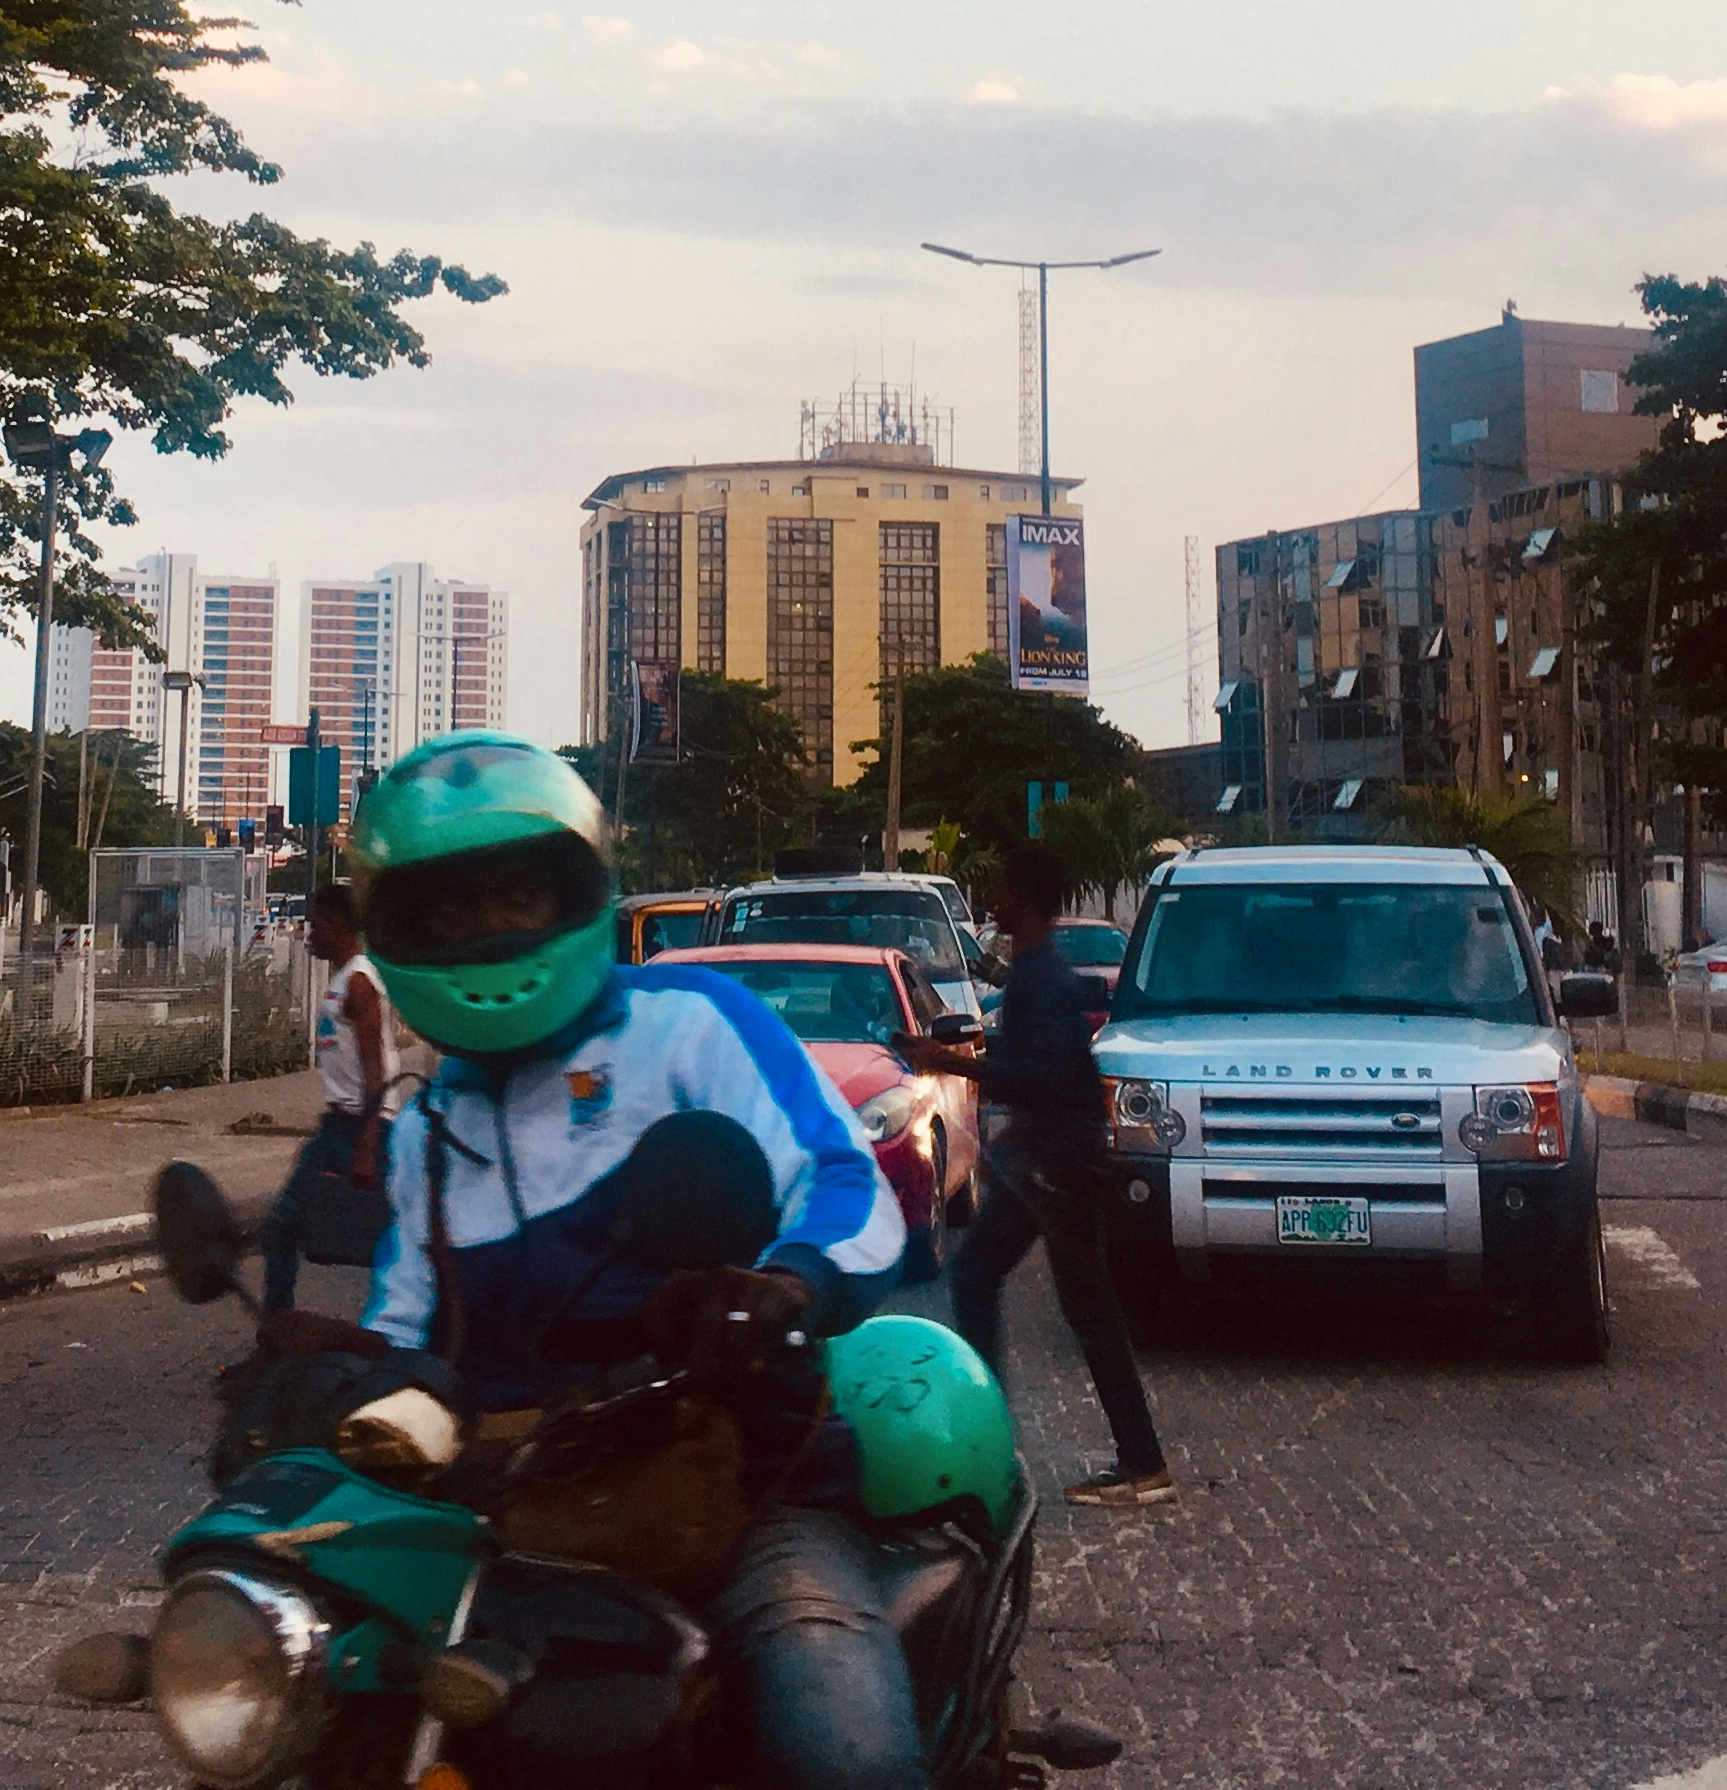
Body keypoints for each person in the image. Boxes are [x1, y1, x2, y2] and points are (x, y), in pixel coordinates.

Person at [346, 733, 924, 1790]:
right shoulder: (432, 1127)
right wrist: (331, 1385)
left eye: (512, 898)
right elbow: (401, 1329)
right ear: (400, 932)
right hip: (516, 1519)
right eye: (447, 911)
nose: (483, 930)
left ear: (571, 894)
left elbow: (850, 1192)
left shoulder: (692, 1028)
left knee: (848, 1748)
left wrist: (781, 1287)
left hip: (744, 1488)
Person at [913, 845, 1171, 1508]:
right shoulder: (1036, 973)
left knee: (1030, 1293)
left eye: (999, 892)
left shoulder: (1038, 978)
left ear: (1023, 901)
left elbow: (1042, 1076)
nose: (991, 904)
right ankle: (1136, 1462)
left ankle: (993, 1449)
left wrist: (951, 1061)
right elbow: (1042, 1069)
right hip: (1052, 1164)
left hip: (1056, 1170)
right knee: (1061, 1303)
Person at [260, 886, 391, 1313]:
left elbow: (377, 1071)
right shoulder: (342, 978)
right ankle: (278, 1333)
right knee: (283, 1228)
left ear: (336, 925)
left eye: (315, 926)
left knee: (388, 1238)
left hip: (363, 1127)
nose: (309, 935)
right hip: (338, 1126)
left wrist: (368, 1145)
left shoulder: (358, 982)